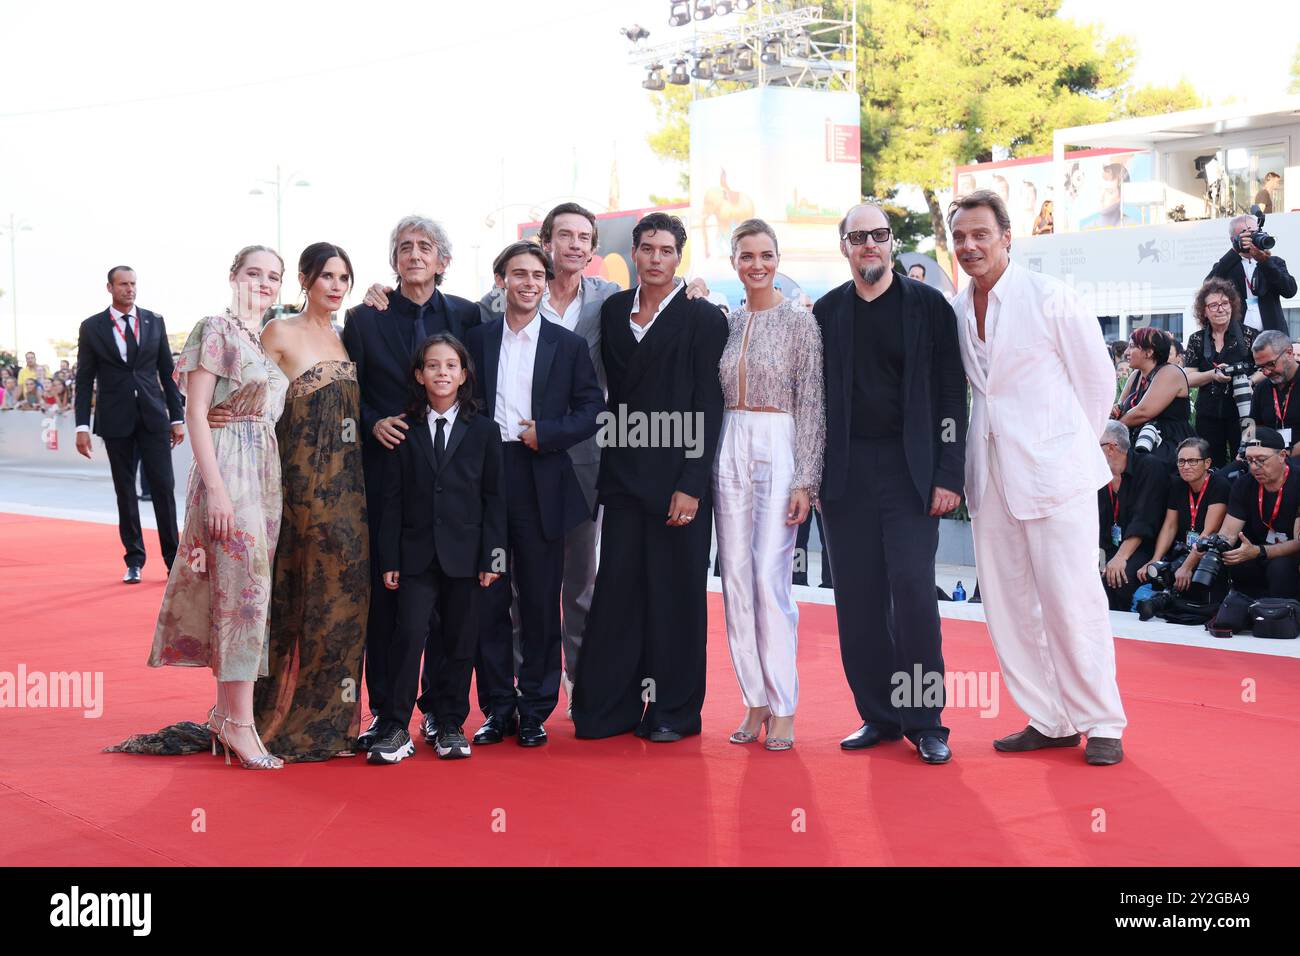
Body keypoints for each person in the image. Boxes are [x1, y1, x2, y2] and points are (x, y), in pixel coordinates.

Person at [364, 203, 710, 719]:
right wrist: (383, 295)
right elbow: (442, 332)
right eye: (563, 236)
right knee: (493, 592)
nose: (573, 245)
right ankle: (503, 704)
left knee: (572, 587)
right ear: (542, 247)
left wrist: (694, 289)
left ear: (594, 249)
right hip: (497, 470)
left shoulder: (608, 302)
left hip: (580, 467)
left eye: (584, 238)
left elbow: (613, 383)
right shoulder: (481, 318)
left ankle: (575, 692)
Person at [949, 188, 1126, 766]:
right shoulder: (954, 308)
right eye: (960, 237)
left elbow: (1098, 382)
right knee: (1007, 602)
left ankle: (1101, 719)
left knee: (1072, 597)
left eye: (981, 234)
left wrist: (1063, 446)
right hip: (990, 471)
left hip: (1056, 473)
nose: (970, 246)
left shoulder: (1051, 297)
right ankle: (1048, 717)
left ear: (1007, 238)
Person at [208, 241, 369, 763]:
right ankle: (267, 717)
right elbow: (246, 390)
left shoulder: (345, 339)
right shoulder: (279, 331)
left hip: (349, 493)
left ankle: (331, 724)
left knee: (340, 604)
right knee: (294, 600)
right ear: (305, 280)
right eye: (327, 276)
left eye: (344, 277)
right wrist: (210, 416)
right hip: (298, 487)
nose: (337, 286)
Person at [816, 202, 965, 765]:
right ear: (845, 246)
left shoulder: (928, 306)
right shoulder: (827, 312)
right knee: (857, 599)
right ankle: (878, 715)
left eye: (878, 234)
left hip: (913, 475)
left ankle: (926, 722)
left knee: (912, 596)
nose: (870, 244)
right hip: (846, 476)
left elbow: (953, 393)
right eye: (859, 236)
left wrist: (949, 474)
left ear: (892, 242)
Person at [571, 212, 727, 742]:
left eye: (665, 250)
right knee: (618, 593)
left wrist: (693, 483)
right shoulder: (613, 310)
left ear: (678, 255)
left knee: (676, 596)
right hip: (623, 471)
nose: (655, 258)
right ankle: (608, 709)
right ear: (633, 253)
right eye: (646, 249)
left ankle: (672, 713)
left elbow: (709, 404)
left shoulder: (704, 317)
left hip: (679, 477)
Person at [341, 215, 481, 753]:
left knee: (451, 609)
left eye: (425, 247)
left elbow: (479, 390)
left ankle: (445, 716)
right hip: (388, 476)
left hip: (453, 484)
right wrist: (374, 419)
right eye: (404, 247)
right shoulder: (365, 318)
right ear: (393, 260)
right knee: (391, 604)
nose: (415, 254)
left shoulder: (469, 317)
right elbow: (348, 390)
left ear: (443, 261)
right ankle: (386, 713)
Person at [148, 246, 290, 769]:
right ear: (233, 277)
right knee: (243, 598)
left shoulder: (261, 339)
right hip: (229, 472)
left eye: (272, 276)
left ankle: (228, 716)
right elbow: (196, 412)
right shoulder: (216, 329)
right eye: (253, 273)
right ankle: (241, 725)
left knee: (248, 595)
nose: (263, 283)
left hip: (264, 474)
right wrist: (219, 490)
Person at [464, 242, 603, 748]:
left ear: (546, 282)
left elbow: (591, 408)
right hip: (486, 479)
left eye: (536, 275)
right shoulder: (475, 340)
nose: (528, 282)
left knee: (542, 600)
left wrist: (548, 432)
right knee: (490, 598)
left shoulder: (566, 346)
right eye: (517, 274)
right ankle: (497, 707)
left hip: (540, 476)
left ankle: (536, 708)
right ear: (500, 280)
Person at [714, 219, 824, 751]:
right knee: (733, 575)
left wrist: (806, 476)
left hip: (780, 443)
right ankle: (754, 696)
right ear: (733, 261)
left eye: (765, 255)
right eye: (745, 256)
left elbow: (812, 403)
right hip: (730, 441)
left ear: (778, 258)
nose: (756, 264)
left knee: (767, 577)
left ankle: (784, 704)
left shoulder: (800, 323)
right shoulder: (730, 323)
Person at [371, 334, 505, 763]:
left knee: (459, 640)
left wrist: (492, 557)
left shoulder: (485, 431)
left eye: (451, 365)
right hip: (414, 556)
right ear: (419, 374)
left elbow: (494, 499)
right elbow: (391, 498)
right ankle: (395, 726)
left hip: (467, 558)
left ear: (463, 375)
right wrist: (389, 557)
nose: (442, 372)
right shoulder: (403, 429)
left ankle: (449, 721)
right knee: (408, 636)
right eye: (433, 365)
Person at [74, 267, 185, 583]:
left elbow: (168, 373)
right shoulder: (92, 327)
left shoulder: (154, 321)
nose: (130, 289)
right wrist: (82, 425)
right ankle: (134, 559)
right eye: (123, 284)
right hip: (114, 419)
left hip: (153, 417)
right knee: (125, 491)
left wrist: (176, 417)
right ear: (109, 287)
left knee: (163, 487)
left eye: (133, 284)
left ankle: (173, 559)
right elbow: (84, 380)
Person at [1218, 427, 1300, 599]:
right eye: (1249, 460)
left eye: (1261, 460)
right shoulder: (1244, 484)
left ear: (1282, 456)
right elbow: (1228, 534)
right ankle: (1246, 612)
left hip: (1290, 555)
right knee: (1234, 561)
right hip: (1258, 550)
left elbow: (1298, 543)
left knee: (1280, 567)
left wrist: (1260, 551)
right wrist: (1214, 547)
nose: (1254, 467)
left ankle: (1282, 616)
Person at [1185, 278, 1259, 467]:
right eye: (1213, 305)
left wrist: (1248, 382)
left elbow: (1265, 370)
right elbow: (1188, 378)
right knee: (1210, 464)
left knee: (1248, 460)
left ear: (1232, 305)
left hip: (1245, 412)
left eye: (1225, 303)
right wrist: (1212, 374)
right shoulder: (1197, 339)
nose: (1220, 309)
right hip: (1208, 413)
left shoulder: (1250, 335)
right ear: (1204, 311)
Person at [1098, 421, 1169, 611]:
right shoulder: (1098, 475)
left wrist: (1121, 557)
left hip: (1141, 547)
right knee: (1092, 575)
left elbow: (1144, 519)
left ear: (1111, 448)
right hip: (1108, 546)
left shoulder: (1148, 467)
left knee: (1121, 577)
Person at [1144, 437, 1230, 593]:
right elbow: (1170, 526)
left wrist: (1186, 567)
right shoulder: (1178, 485)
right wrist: (1155, 560)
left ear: (1207, 463)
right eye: (1181, 461)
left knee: (1186, 578)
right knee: (1159, 574)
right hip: (1184, 549)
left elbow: (1209, 532)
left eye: (1192, 461)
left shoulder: (1219, 485)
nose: (1186, 466)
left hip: (1208, 551)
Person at [1113, 327, 1194, 469]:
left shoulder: (1170, 372)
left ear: (1149, 352)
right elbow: (1121, 407)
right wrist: (1115, 411)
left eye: (1131, 347)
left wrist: (1112, 429)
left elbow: (1143, 412)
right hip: (1139, 440)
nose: (1126, 352)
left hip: (1168, 446)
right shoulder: (1135, 375)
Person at [1206, 213, 1297, 333]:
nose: (1251, 238)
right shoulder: (1228, 266)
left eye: (1254, 233)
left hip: (1272, 337)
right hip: (1239, 338)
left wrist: (1264, 261)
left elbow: (1290, 291)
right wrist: (1235, 251)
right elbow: (1208, 285)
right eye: (1246, 235)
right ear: (1233, 239)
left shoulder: (1274, 262)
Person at [1248, 330, 1300, 455]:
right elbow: (1250, 426)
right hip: (1267, 459)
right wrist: (1246, 447)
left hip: (1292, 456)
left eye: (1270, 364)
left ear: (1289, 353)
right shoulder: (1262, 388)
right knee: (1224, 474)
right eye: (1260, 367)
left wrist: (1286, 455)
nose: (1266, 372)